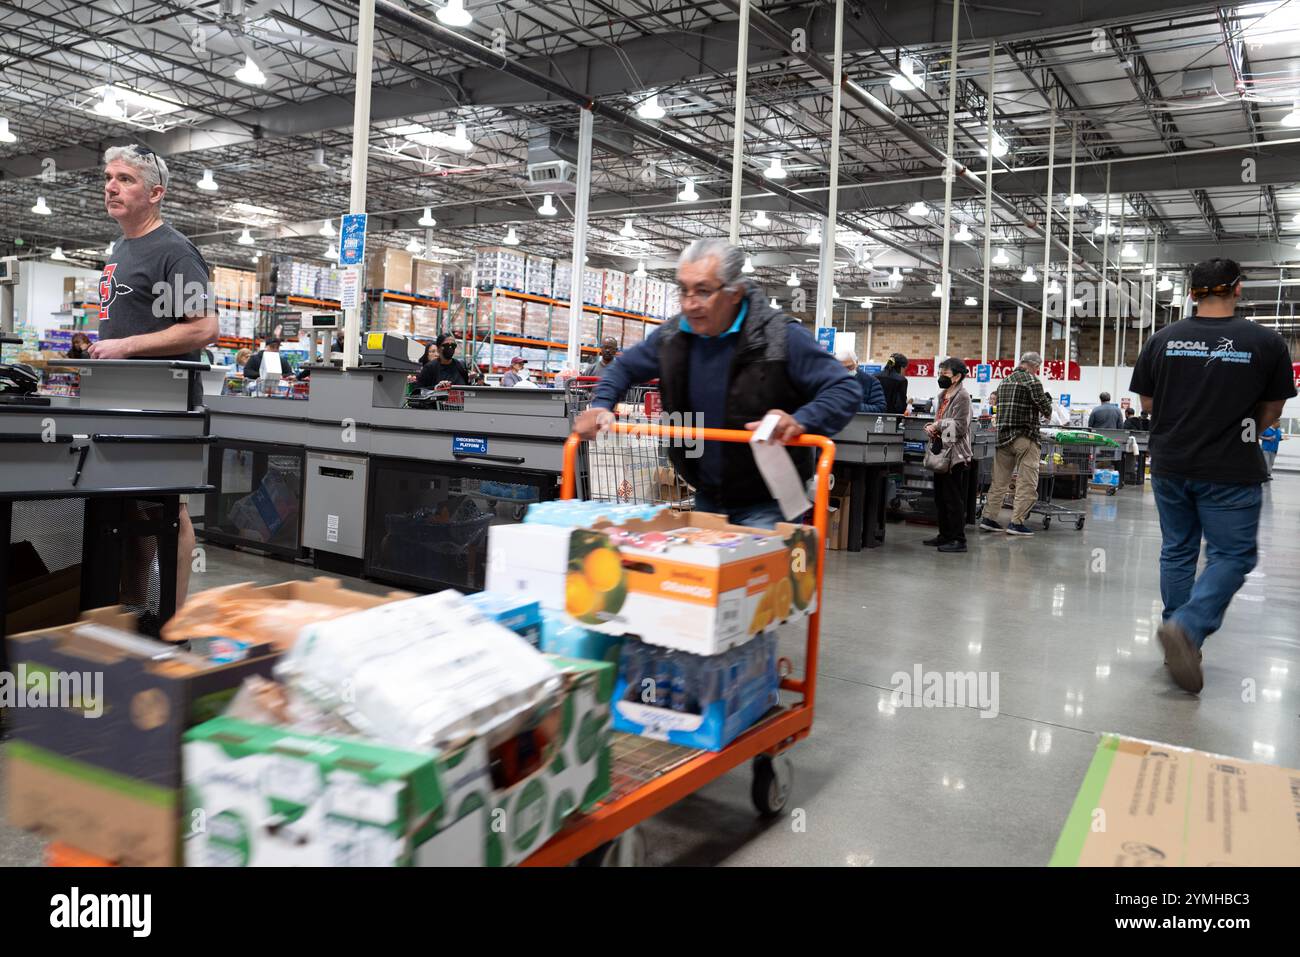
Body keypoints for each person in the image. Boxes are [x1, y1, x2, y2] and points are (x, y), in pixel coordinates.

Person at [573, 239, 861, 528]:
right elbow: (623, 367)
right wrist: (600, 406)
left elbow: (844, 390)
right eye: (683, 290)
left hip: (770, 502)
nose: (690, 303)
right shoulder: (673, 337)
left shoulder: (781, 338)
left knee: (756, 572)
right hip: (708, 495)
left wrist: (800, 421)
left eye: (703, 291)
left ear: (735, 292)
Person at [1131, 258, 1295, 692]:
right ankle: (1188, 627)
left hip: (1170, 463)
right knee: (1234, 555)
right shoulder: (1267, 342)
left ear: (1191, 293)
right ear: (1238, 290)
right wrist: (1242, 431)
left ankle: (1181, 634)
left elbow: (1147, 404)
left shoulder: (1162, 339)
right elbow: (1274, 409)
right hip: (1230, 468)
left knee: (1178, 550)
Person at [89, 143, 218, 613]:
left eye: (125, 179)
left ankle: (174, 619)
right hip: (120, 401)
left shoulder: (174, 251)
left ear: (156, 192)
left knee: (167, 509)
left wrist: (125, 347)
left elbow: (204, 326)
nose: (111, 186)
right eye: (109, 177)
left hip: (163, 405)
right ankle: (135, 607)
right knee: (131, 510)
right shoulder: (120, 247)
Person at [979, 351, 1052, 537]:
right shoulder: (1032, 380)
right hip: (1024, 437)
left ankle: (989, 518)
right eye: (1038, 367)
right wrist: (1048, 407)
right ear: (1033, 365)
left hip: (1003, 438)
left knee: (999, 482)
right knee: (1026, 482)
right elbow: (1045, 407)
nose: (1038, 371)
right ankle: (1016, 522)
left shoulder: (1004, 381)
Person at [924, 358, 973, 553]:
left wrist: (938, 425)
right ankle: (944, 535)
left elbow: (960, 427)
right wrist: (930, 426)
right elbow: (940, 420)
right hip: (941, 451)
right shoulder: (942, 395)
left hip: (955, 454)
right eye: (940, 373)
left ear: (957, 376)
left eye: (945, 374)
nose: (941, 377)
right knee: (940, 497)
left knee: (953, 498)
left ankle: (958, 539)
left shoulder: (962, 397)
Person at [836, 347, 887, 413]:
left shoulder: (871, 382)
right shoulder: (829, 381)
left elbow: (880, 408)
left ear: (856, 363)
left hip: (860, 422)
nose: (846, 371)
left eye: (850, 367)